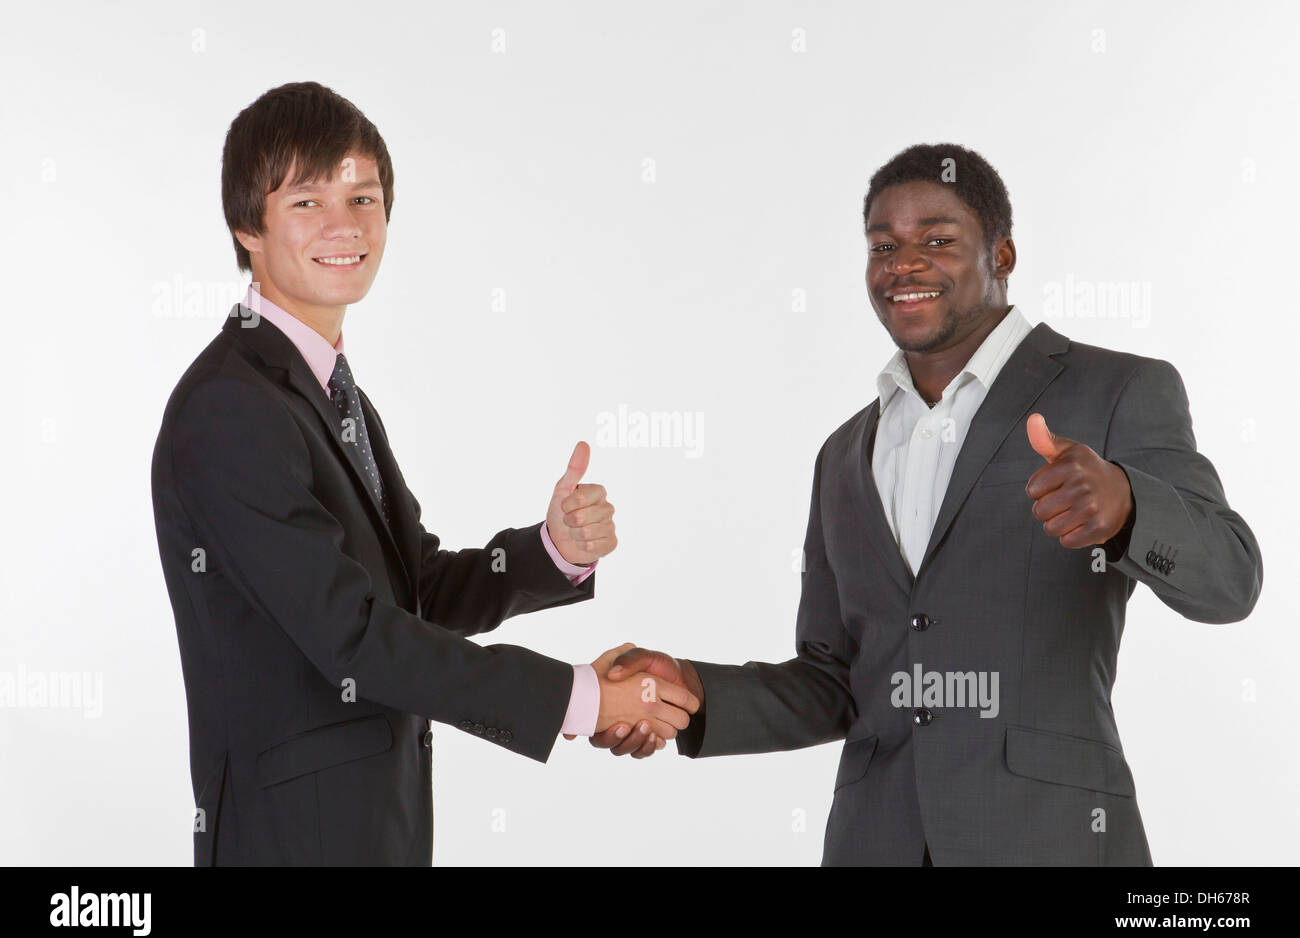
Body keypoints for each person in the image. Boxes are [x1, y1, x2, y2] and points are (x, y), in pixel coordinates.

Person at [591, 143, 1263, 866]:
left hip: (1051, 837)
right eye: (883, 247)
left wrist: (1129, 508)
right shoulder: (844, 453)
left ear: (1002, 253)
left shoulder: (1115, 391)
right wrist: (691, 690)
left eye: (937, 240)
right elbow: (835, 681)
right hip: (874, 841)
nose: (902, 265)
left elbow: (1231, 581)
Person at [150, 81, 698, 865]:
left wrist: (554, 552)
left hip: (375, 832)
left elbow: (413, 592)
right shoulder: (230, 407)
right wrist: (581, 698)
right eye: (307, 202)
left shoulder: (332, 393)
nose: (346, 225)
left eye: (364, 197)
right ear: (248, 226)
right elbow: (357, 636)